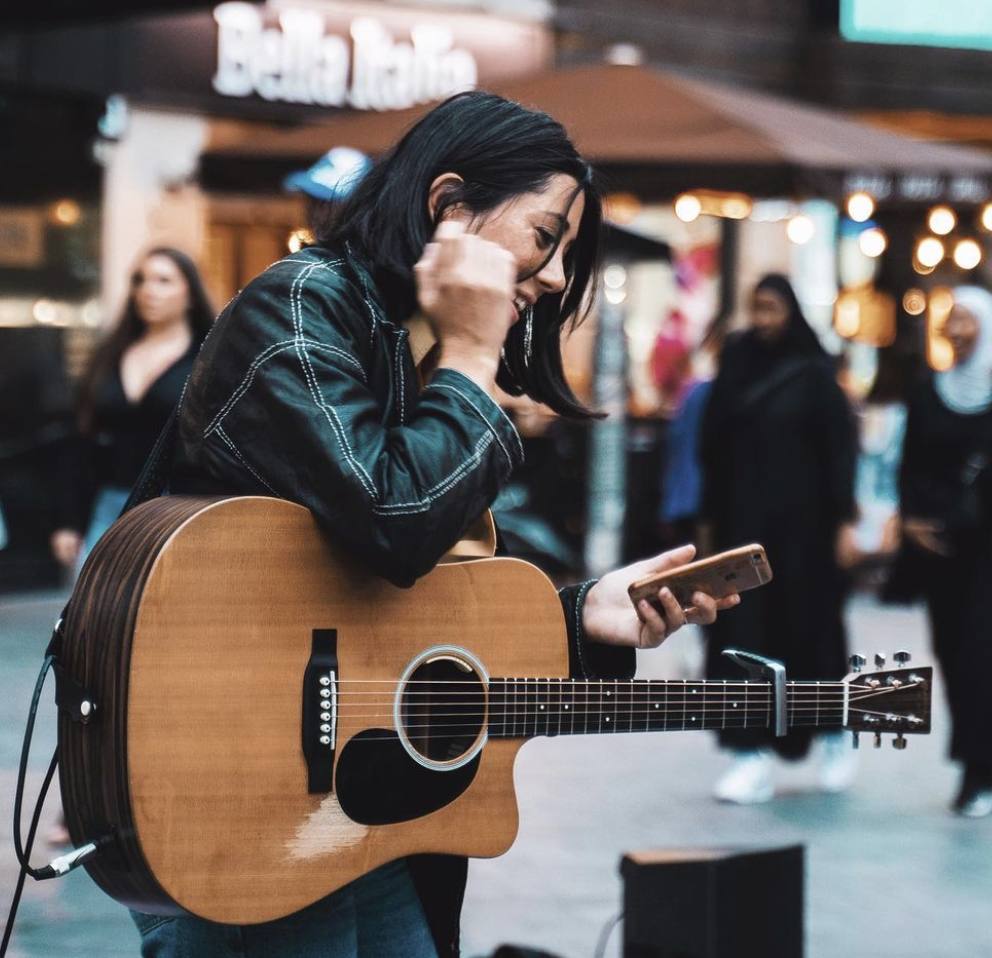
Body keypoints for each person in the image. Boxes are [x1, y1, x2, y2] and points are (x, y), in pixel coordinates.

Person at [139, 92, 739, 958]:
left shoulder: (410, 348)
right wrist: (468, 355)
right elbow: (393, 520)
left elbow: (404, 594)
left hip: (352, 808)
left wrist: (584, 616)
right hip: (234, 794)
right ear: (450, 205)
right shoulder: (303, 308)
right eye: (545, 237)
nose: (559, 277)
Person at [699, 274, 859, 804]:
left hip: (804, 536)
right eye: (756, 307)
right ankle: (749, 755)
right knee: (741, 636)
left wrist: (842, 524)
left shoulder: (814, 373)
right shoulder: (737, 362)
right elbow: (712, 446)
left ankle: (835, 733)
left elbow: (839, 452)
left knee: (810, 631)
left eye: (772, 308)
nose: (763, 319)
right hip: (740, 529)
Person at [50, 248, 214, 572]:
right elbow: (81, 441)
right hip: (109, 504)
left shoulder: (208, 360)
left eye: (163, 280)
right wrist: (68, 521)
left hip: (174, 507)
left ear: (191, 294)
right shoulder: (110, 354)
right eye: (140, 280)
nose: (148, 290)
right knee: (94, 611)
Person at [894, 285, 992, 818]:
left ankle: (980, 769)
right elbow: (910, 463)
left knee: (982, 655)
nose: (955, 331)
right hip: (940, 550)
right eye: (950, 321)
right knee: (953, 654)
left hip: (986, 550)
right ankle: (972, 758)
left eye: (966, 321)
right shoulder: (929, 389)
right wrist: (909, 521)